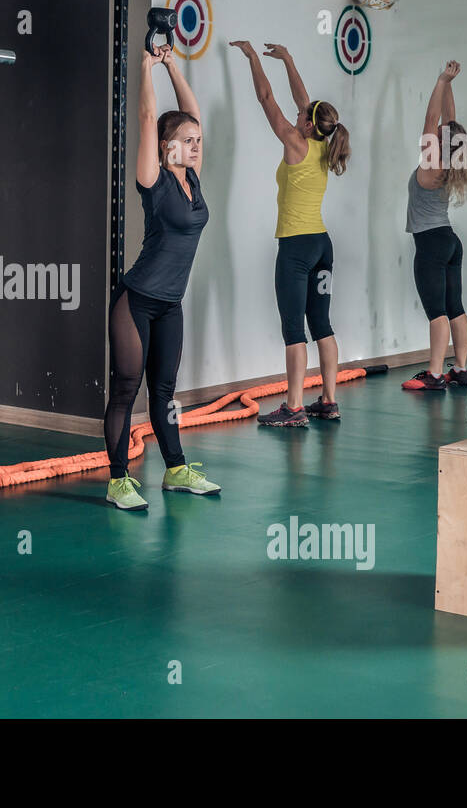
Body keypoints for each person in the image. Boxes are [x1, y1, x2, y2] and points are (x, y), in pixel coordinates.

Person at [103, 43, 217, 511]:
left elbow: (192, 114)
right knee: (127, 390)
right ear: (167, 145)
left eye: (196, 141)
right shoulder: (154, 179)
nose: (195, 146)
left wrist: (174, 63)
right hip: (136, 300)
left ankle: (175, 470)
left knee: (165, 391)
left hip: (171, 304)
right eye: (186, 141)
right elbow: (149, 118)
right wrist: (146, 68)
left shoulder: (193, 178)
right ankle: (117, 480)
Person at [233, 41, 351, 426]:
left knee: (293, 327)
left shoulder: (295, 141)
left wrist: (253, 59)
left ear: (306, 123)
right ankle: (329, 401)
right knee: (323, 324)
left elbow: (267, 98)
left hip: (297, 248)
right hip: (322, 245)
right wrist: (290, 59)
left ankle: (295, 407)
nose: (299, 111)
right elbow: (306, 103)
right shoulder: (323, 142)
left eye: (302, 113)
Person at [402, 61, 467, 391]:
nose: (433, 134)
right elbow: (447, 122)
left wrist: (438, 81)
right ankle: (459, 370)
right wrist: (449, 85)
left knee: (437, 311)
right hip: (450, 241)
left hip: (432, 244)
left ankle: (435, 374)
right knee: (455, 308)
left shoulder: (431, 163)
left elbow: (431, 120)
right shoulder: (452, 160)